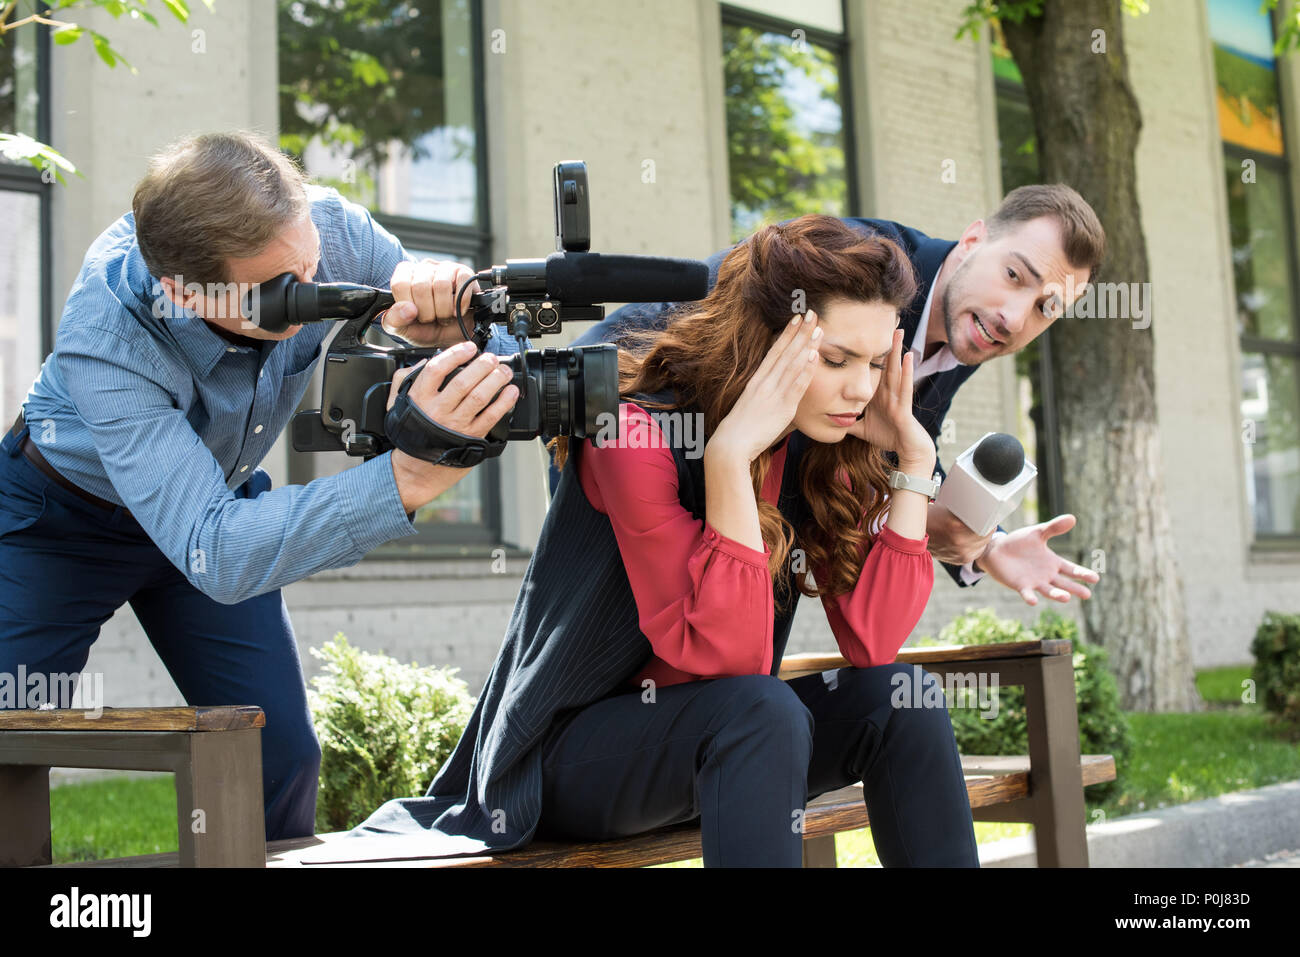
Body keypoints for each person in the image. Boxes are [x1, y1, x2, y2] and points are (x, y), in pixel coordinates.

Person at [302, 216, 980, 867]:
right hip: (571, 756)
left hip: (729, 744)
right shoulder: (635, 430)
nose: (862, 389)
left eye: (874, 361)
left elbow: (872, 640)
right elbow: (730, 655)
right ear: (767, 343)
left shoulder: (824, 437)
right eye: (836, 359)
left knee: (901, 697)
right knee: (760, 708)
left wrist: (914, 464)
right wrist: (729, 457)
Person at [0, 131, 522, 841]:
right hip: (64, 521)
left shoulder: (326, 229)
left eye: (311, 264)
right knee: (10, 741)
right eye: (283, 292)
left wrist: (459, 310)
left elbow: (493, 339)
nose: (311, 285)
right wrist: (403, 478)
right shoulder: (108, 334)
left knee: (275, 754)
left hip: (216, 500)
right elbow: (219, 551)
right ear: (185, 290)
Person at [562, 184, 1107, 607]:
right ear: (971, 242)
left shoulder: (970, 328)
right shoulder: (868, 266)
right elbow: (713, 303)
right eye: (1015, 275)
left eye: (1046, 308)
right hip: (623, 408)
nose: (1016, 317)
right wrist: (573, 398)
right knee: (606, 627)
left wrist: (987, 546)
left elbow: (905, 437)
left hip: (743, 491)